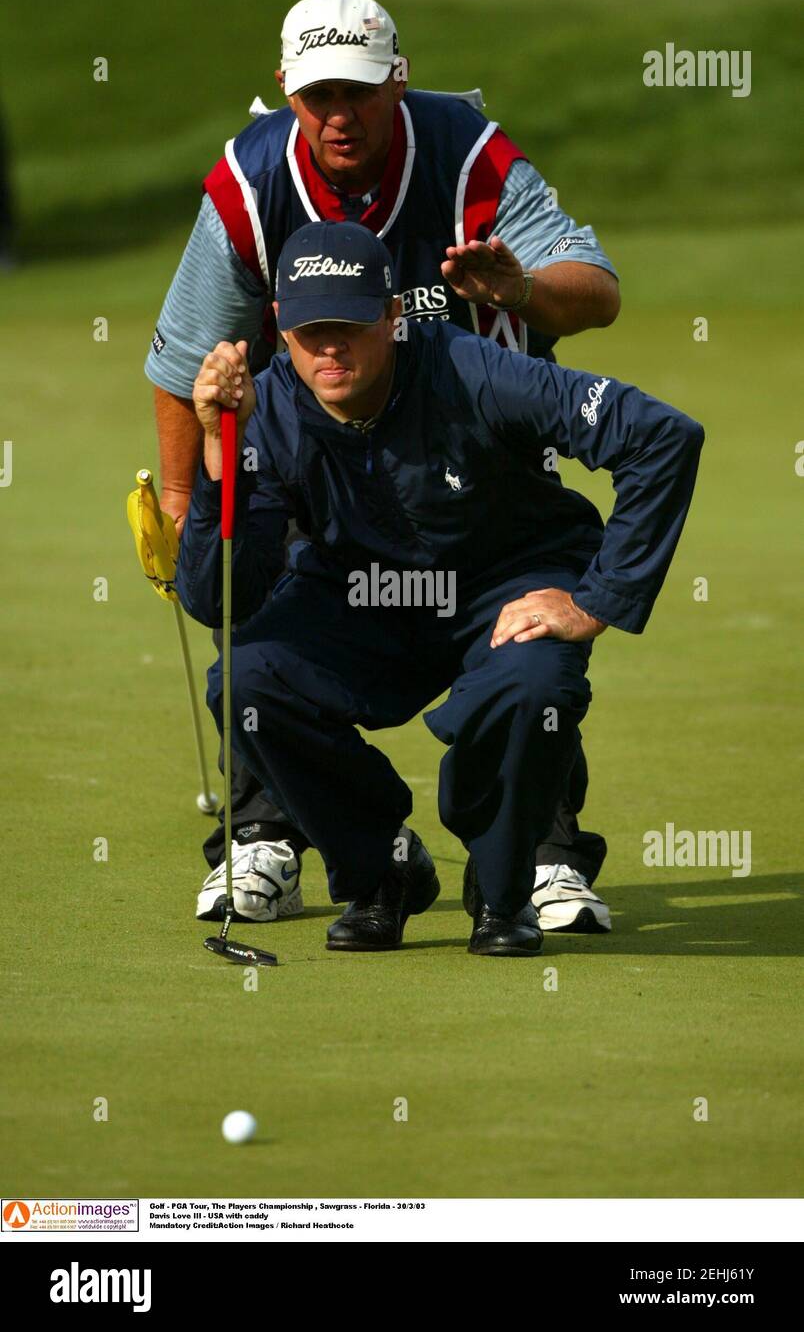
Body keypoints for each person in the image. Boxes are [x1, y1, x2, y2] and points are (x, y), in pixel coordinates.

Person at [147, 0, 621, 929]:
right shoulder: (248, 182)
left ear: (398, 79)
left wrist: (520, 286)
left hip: (489, 474)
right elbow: (183, 354)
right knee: (248, 604)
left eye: (359, 90)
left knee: (531, 648)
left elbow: (597, 292)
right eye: (317, 92)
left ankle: (542, 852)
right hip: (321, 477)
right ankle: (268, 834)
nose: (339, 114)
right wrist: (179, 502)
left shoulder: (470, 158)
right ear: (285, 88)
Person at [175, 222, 703, 956]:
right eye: (309, 329)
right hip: (363, 597)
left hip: (502, 584)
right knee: (245, 679)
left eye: (352, 326)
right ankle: (382, 869)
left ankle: (503, 887)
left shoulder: (472, 367)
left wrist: (596, 600)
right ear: (279, 330)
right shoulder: (263, 412)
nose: (330, 348)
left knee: (534, 689)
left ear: (394, 317)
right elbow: (217, 598)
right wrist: (218, 455)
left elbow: (661, 435)